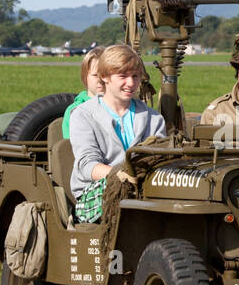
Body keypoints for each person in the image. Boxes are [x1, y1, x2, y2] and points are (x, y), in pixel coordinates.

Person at [68, 44, 166, 222]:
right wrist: (123, 174)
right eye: (123, 76)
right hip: (97, 193)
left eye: (135, 76)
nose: (131, 83)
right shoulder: (83, 115)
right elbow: (87, 165)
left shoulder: (153, 118)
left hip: (145, 191)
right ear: (104, 77)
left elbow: (160, 160)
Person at [62, 46, 104, 138]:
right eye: (95, 75)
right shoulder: (74, 111)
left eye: (105, 75)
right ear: (85, 76)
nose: (101, 80)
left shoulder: (120, 107)